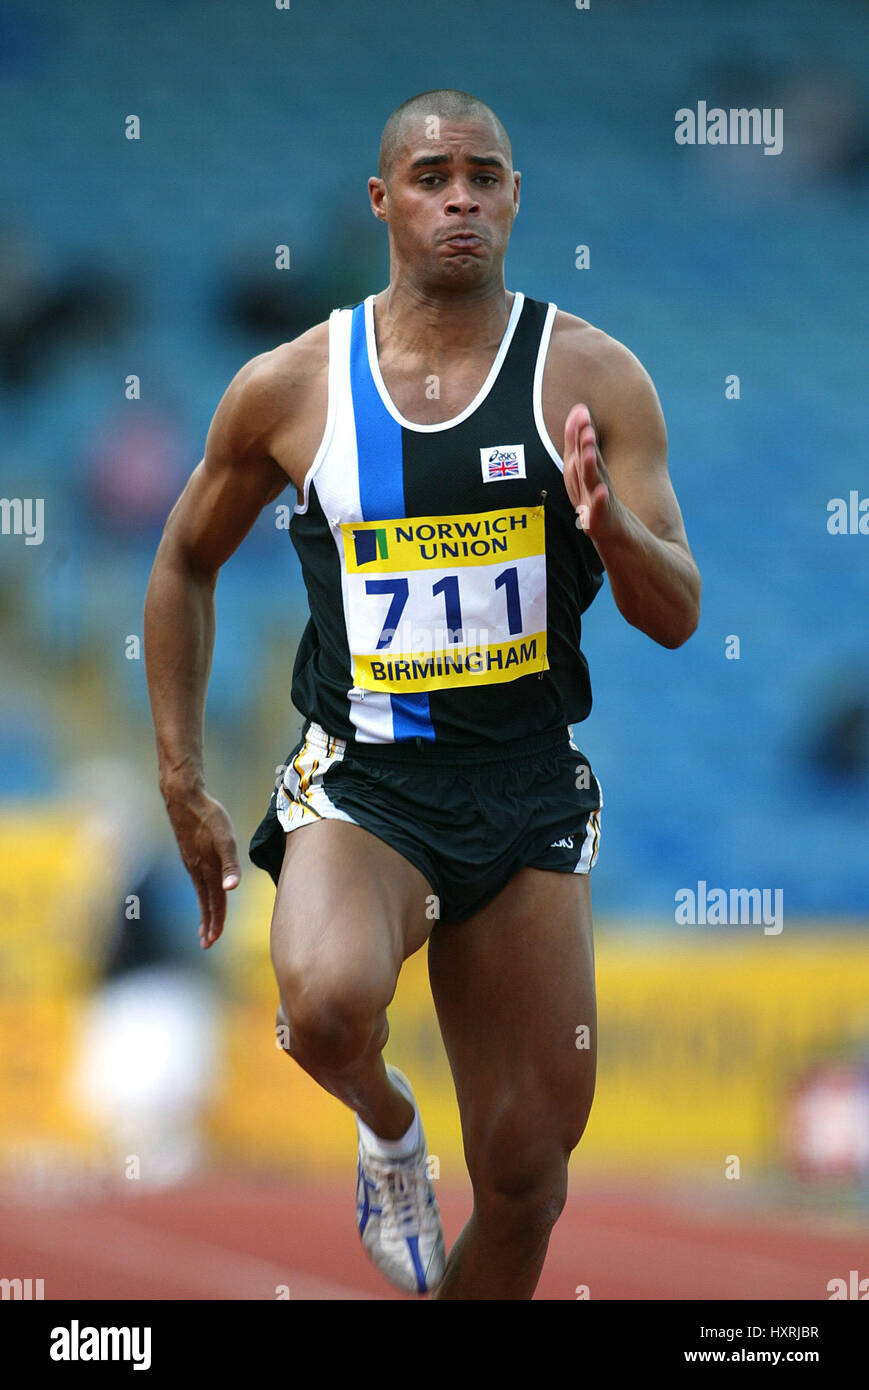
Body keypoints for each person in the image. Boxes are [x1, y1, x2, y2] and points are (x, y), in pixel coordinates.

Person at [144, 88, 701, 1300]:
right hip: (368, 784)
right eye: (433, 175)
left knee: (525, 1177)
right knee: (330, 1005)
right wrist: (182, 780)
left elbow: (675, 613)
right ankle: (388, 1131)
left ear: (513, 200)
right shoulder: (293, 387)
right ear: (382, 200)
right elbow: (185, 558)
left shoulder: (591, 373)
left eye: (484, 177)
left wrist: (609, 533)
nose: (460, 198)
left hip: (523, 788)